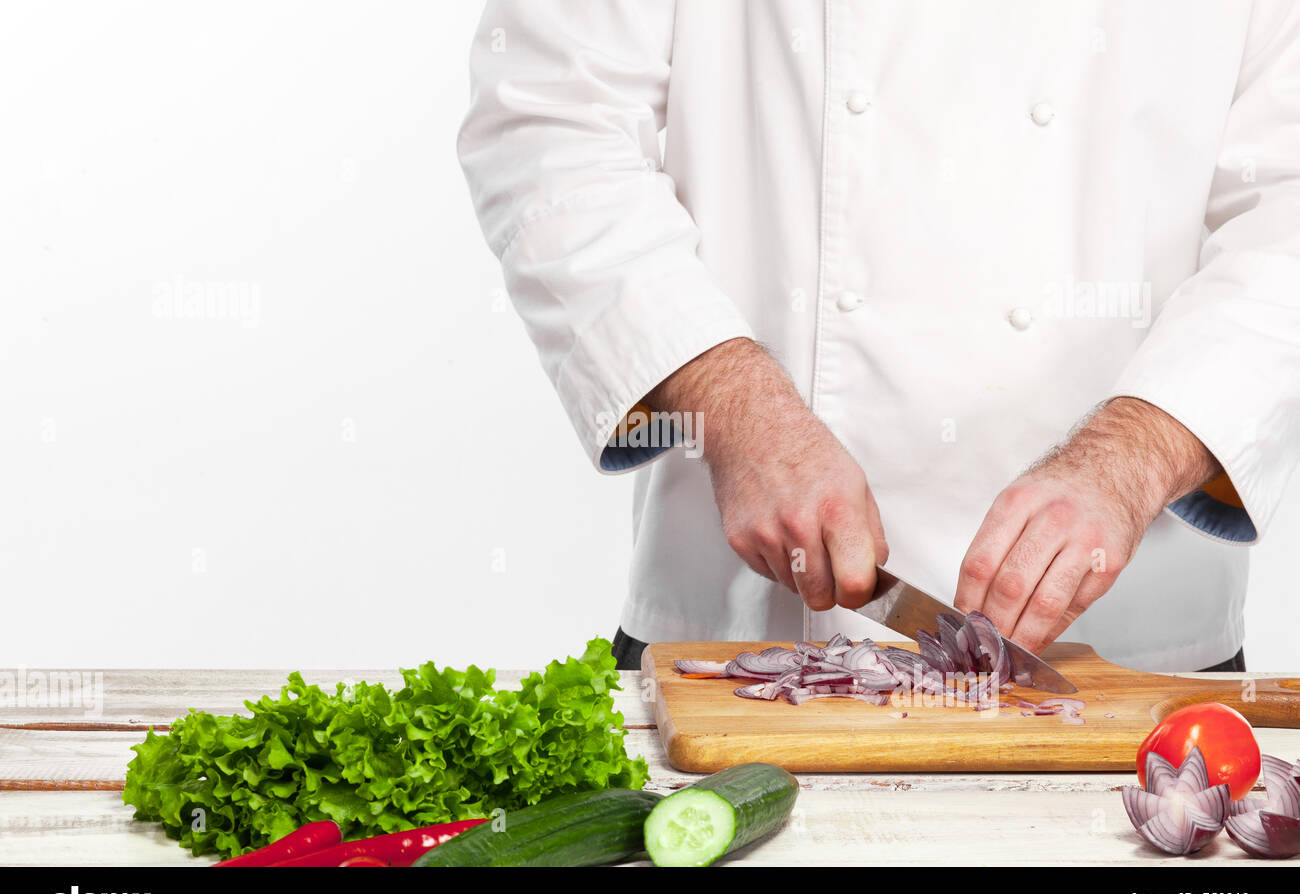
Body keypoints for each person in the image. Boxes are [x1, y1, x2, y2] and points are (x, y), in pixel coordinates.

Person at [456, 1, 1300, 672]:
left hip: (1132, 658)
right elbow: (550, 120)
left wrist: (1139, 451)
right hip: (744, 647)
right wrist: (730, 398)